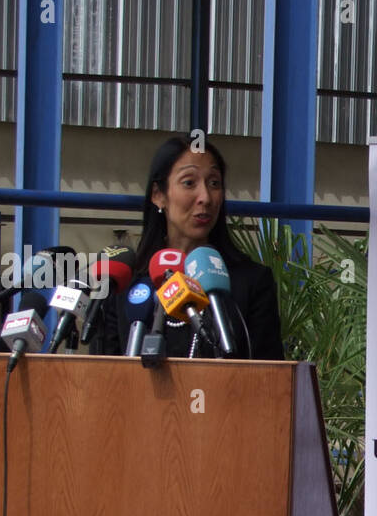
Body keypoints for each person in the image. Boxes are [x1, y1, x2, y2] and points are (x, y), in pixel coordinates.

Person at [97, 134, 285, 360]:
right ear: (158, 195)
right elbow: (102, 376)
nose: (205, 197)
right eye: (189, 183)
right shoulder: (124, 282)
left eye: (214, 183)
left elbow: (269, 377)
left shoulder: (252, 281)